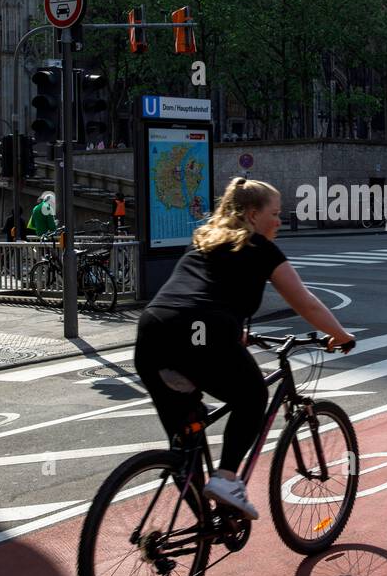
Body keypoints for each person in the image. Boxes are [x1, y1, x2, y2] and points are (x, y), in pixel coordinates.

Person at [134, 177, 355, 521]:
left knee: (185, 439)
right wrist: (341, 335)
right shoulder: (260, 248)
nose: (280, 221)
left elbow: (202, 293)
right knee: (252, 397)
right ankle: (226, 480)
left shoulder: (203, 241)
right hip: (201, 331)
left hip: (154, 330)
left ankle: (203, 528)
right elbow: (306, 304)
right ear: (253, 215)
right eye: (276, 214)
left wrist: (233, 334)